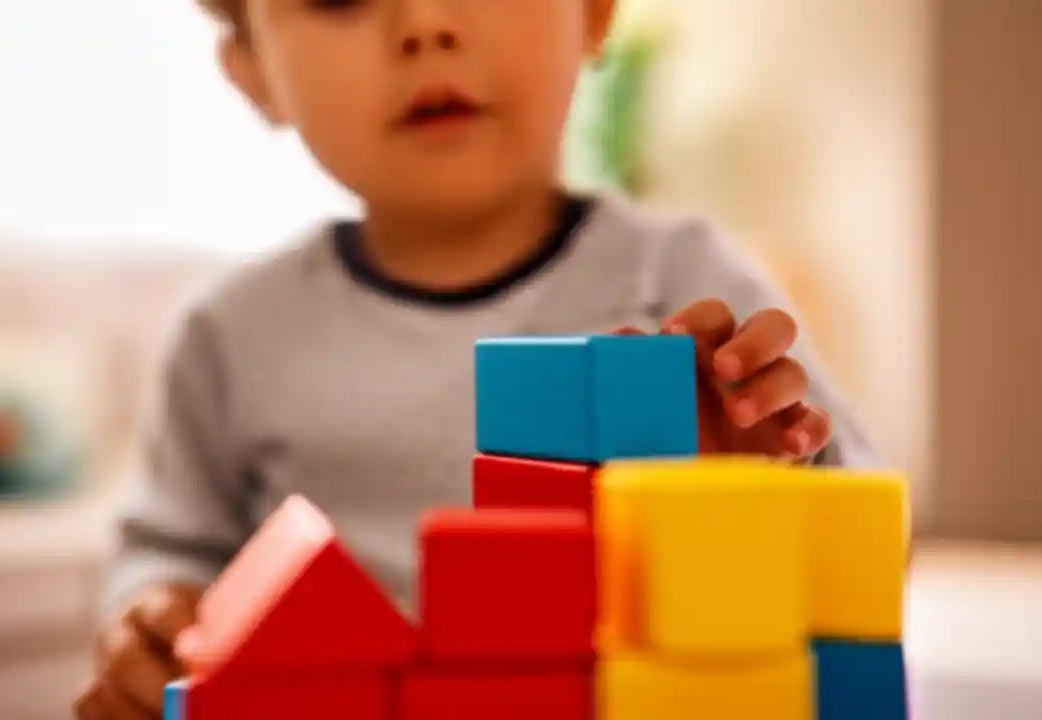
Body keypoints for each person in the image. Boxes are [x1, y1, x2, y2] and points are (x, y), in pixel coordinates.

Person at [74, 0, 879, 717]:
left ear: (595, 13)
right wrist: (150, 612)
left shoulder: (684, 280)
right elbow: (168, 548)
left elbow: (871, 544)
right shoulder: (229, 334)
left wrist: (752, 489)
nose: (426, 24)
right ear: (252, 70)